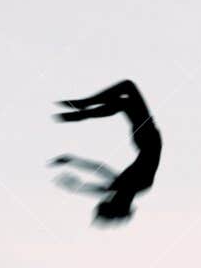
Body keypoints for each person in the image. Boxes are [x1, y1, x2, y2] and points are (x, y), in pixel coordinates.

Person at [49, 80, 162, 223]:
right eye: (108, 201)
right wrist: (73, 168)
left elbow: (98, 172)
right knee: (126, 95)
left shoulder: (127, 188)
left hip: (148, 139)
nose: (108, 198)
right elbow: (98, 174)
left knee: (126, 96)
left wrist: (73, 168)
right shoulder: (123, 187)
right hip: (147, 138)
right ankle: (83, 109)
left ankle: (83, 109)